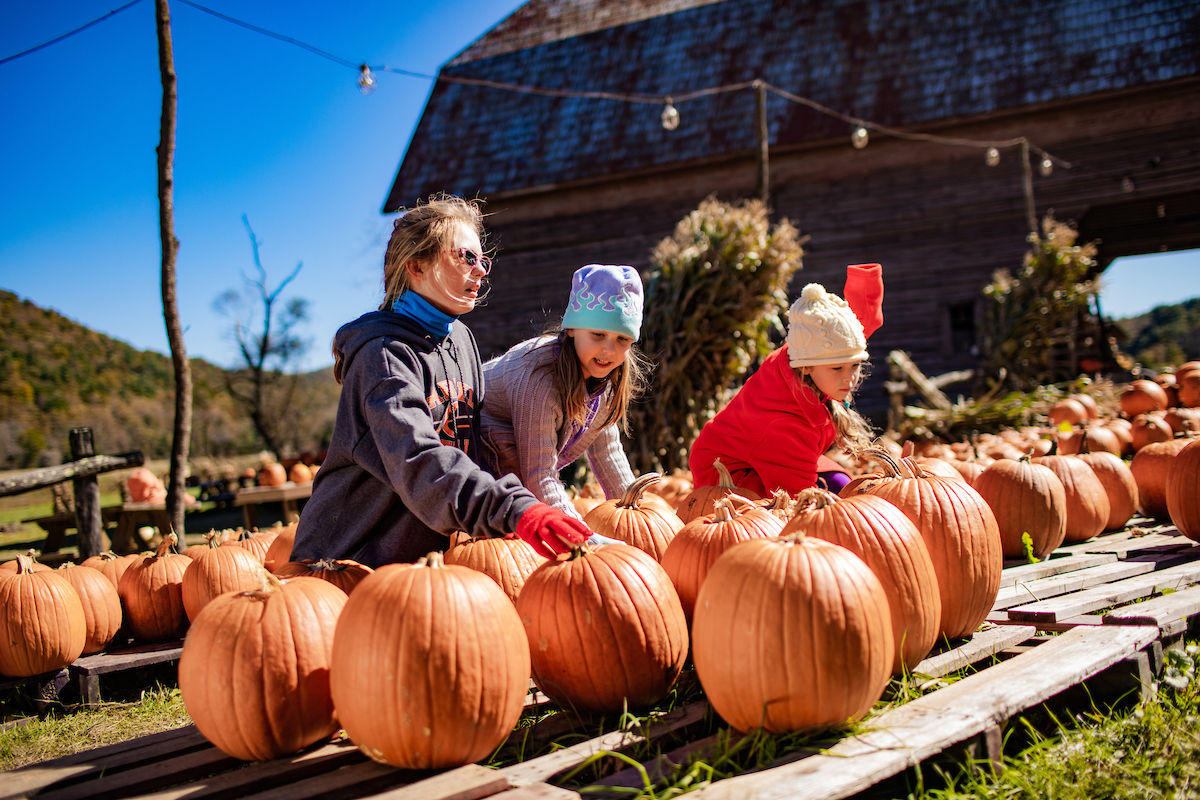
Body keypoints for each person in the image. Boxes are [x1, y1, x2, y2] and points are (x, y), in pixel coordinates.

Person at [290, 196, 592, 566]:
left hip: (421, 566)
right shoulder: (384, 356)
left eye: (484, 260)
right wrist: (513, 509)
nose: (480, 271)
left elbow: (471, 450)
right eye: (466, 257)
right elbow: (420, 459)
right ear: (416, 266)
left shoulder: (461, 340)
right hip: (345, 565)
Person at [688, 264, 884, 496]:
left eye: (855, 365)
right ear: (807, 367)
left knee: (841, 484)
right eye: (838, 368)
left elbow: (851, 331)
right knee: (820, 501)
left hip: (777, 454)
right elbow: (796, 496)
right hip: (728, 472)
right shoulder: (784, 425)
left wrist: (865, 281)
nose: (849, 377)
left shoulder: (813, 351)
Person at [480, 264, 650, 520]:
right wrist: (579, 534)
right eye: (598, 334)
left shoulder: (601, 380)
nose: (609, 350)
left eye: (622, 339)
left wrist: (636, 512)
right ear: (570, 329)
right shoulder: (540, 378)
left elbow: (607, 452)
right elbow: (538, 474)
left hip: (520, 462)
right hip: (480, 441)